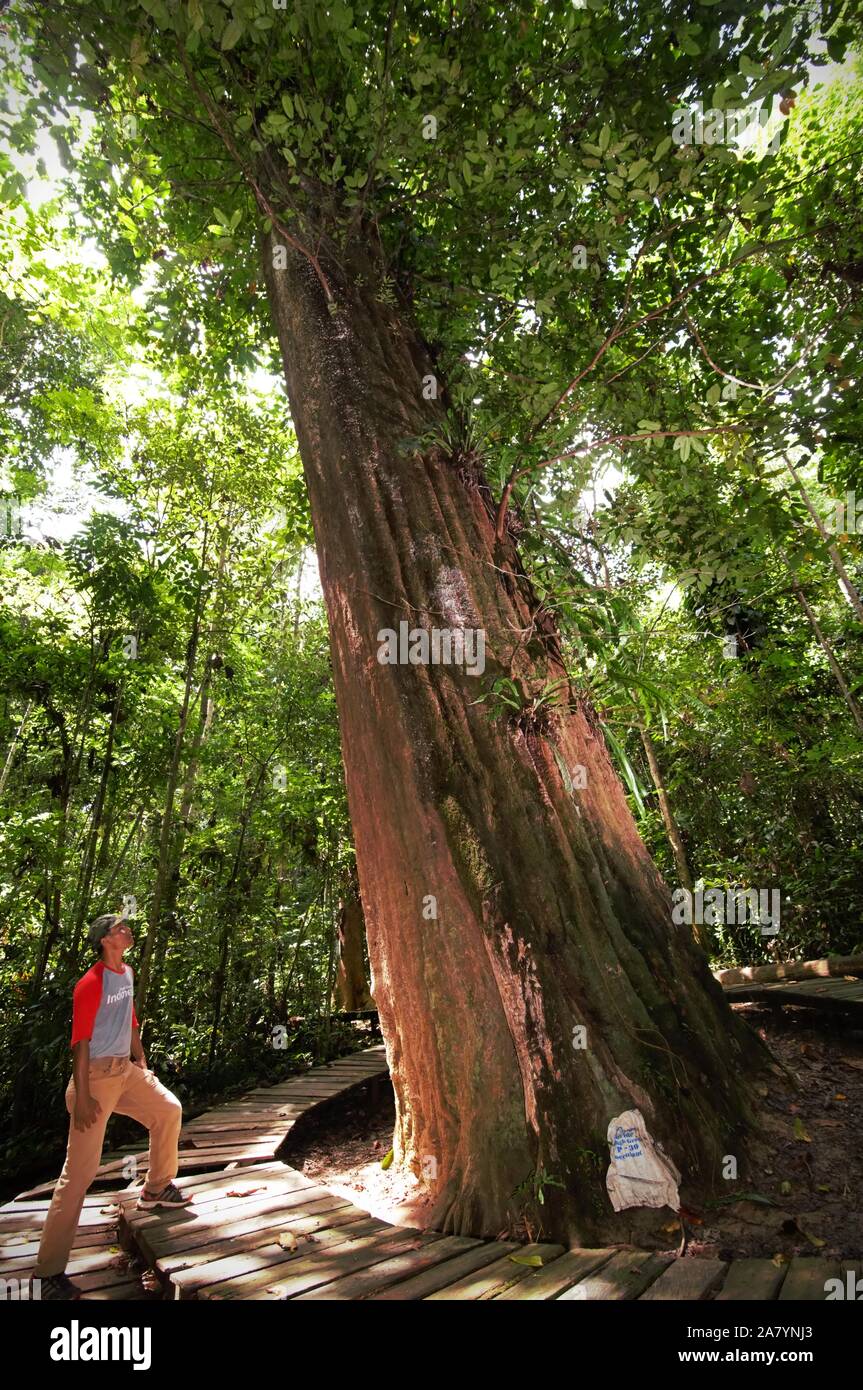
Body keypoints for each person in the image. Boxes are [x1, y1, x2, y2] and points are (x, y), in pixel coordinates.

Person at [33, 912, 192, 1300]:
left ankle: (155, 1188)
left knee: (168, 1110)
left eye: (127, 926)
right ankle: (48, 1273)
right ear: (105, 940)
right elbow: (80, 1040)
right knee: (79, 1174)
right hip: (96, 1079)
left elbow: (131, 1020)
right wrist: (84, 1095)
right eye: (120, 928)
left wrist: (142, 1061)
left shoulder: (127, 973)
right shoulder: (90, 983)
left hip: (125, 1071)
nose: (127, 930)